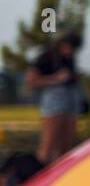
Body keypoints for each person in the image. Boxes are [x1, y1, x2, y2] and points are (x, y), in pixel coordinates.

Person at [26, 30, 83, 164]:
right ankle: (41, 176)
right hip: (55, 100)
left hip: (71, 98)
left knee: (66, 146)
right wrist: (55, 79)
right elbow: (31, 80)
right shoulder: (46, 57)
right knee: (48, 145)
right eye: (68, 47)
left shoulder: (70, 59)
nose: (69, 51)